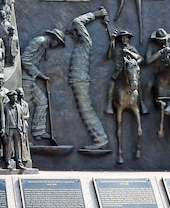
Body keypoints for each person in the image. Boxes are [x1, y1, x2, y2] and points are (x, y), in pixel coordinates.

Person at [67, 8, 111, 150]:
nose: (72, 34)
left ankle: (101, 139)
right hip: (77, 79)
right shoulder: (79, 44)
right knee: (84, 109)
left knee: (86, 109)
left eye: (73, 31)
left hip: (80, 80)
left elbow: (77, 21)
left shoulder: (85, 42)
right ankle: (100, 138)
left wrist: (97, 15)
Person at [20, 28, 65, 139]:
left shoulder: (44, 45)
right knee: (26, 107)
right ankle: (24, 138)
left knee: (42, 102)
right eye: (58, 43)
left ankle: (38, 131)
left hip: (31, 78)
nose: (56, 45)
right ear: (54, 39)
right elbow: (25, 60)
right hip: (25, 79)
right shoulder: (38, 41)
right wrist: (40, 75)